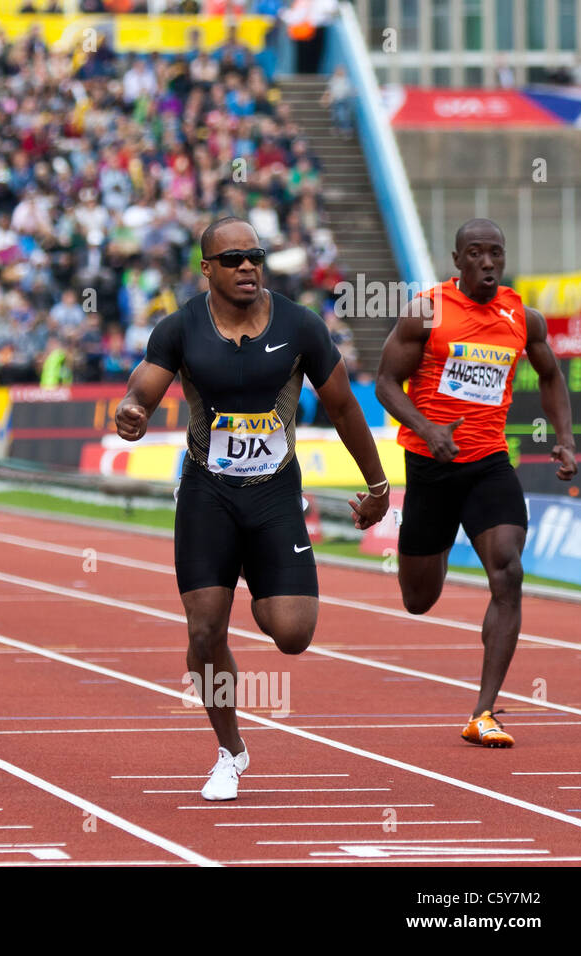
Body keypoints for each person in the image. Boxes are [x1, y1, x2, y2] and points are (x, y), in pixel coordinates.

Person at [115, 217, 390, 800]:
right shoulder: (181, 328)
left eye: (255, 256)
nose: (247, 266)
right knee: (205, 627)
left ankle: (258, 575)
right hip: (207, 492)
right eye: (233, 258)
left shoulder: (300, 326)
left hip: (275, 492)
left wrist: (379, 485)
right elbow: (141, 392)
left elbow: (342, 407)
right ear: (207, 269)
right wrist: (131, 413)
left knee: (291, 633)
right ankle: (229, 751)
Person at [374, 219, 577, 748]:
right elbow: (384, 382)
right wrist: (424, 428)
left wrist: (565, 438)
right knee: (419, 599)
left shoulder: (521, 316)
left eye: (496, 254)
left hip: (488, 462)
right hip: (430, 465)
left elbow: (551, 373)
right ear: (458, 259)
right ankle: (434, 546)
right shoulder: (426, 311)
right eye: (477, 254)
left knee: (508, 570)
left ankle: (483, 711)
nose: (488, 263)